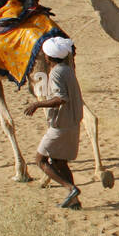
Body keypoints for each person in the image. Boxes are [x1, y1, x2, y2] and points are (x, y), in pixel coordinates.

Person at [24, 36, 84, 209]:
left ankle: (70, 189)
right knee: (59, 162)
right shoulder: (67, 69)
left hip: (61, 125)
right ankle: (74, 201)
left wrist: (37, 104)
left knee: (40, 160)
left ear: (48, 58)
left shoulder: (57, 72)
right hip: (71, 123)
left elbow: (61, 99)